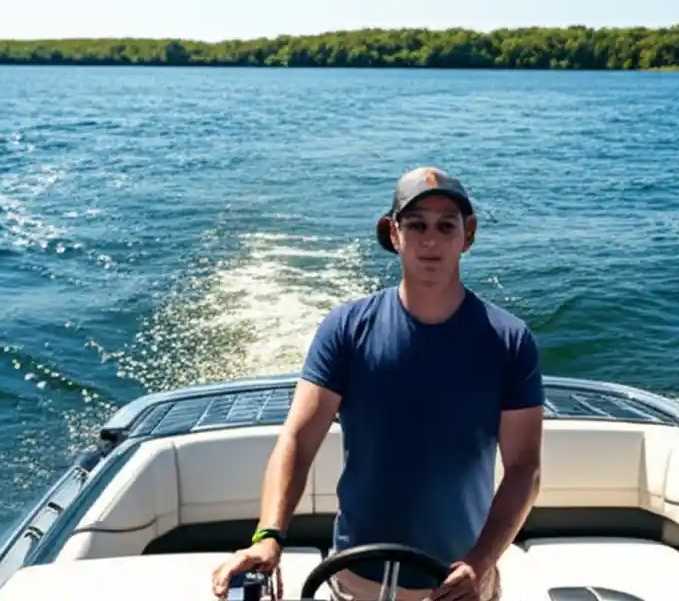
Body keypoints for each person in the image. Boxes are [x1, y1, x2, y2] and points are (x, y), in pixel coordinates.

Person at [210, 166, 544, 601]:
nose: (430, 240)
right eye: (416, 225)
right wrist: (268, 536)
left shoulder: (509, 341)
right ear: (393, 234)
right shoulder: (346, 329)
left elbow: (524, 468)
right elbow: (298, 439)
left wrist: (480, 562)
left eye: (446, 226)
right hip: (353, 579)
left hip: (459, 585)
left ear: (469, 234)